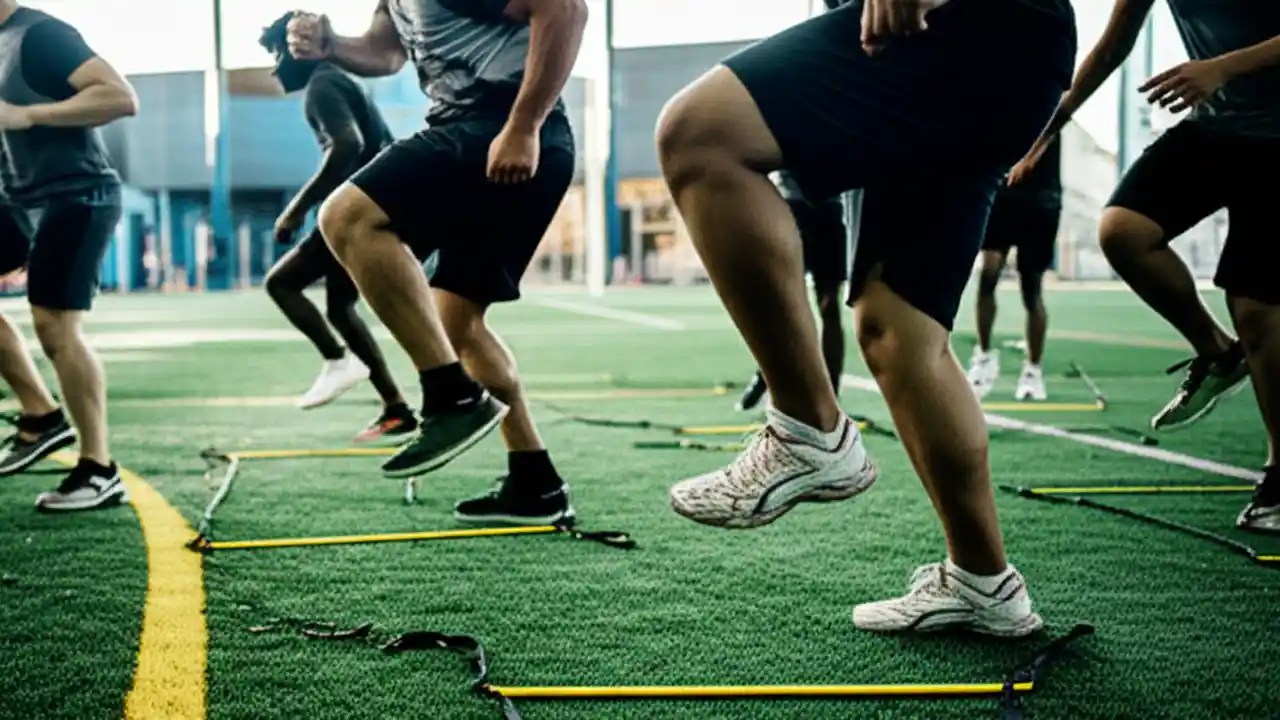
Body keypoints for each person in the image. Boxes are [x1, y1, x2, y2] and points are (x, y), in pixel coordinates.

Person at [656, 0, 1075, 636]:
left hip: (963, 25)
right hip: (1007, 58)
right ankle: (985, 584)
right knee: (899, 336)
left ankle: (807, 432)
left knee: (698, 134)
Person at [285, 0, 586, 526]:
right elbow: (383, 53)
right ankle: (535, 482)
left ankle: (451, 398)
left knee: (348, 217)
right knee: (456, 326)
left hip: (494, 128)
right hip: (488, 136)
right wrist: (330, 45)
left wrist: (524, 125)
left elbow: (564, 10)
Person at [1011, 0, 1278, 533]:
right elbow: (1112, 46)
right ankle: (1217, 353)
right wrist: (1049, 129)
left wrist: (1221, 67)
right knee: (1124, 231)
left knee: (1256, 308)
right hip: (1214, 128)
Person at [0, 1, 138, 512]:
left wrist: (29, 115)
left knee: (55, 326)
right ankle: (39, 414)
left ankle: (99, 470)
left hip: (77, 194)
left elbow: (120, 97)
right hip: (18, 199)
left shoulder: (41, 35)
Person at [258, 12, 417, 444]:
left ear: (300, 50)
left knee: (282, 283)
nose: (274, 66)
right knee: (339, 306)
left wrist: (295, 210)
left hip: (362, 210)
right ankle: (396, 407)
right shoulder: (337, 81)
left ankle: (337, 360)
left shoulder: (323, 85)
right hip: (381, 205)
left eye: (277, 52)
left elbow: (349, 145)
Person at [736, 171, 848, 412]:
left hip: (828, 207)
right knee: (782, 303)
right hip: (790, 206)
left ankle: (832, 396)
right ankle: (767, 376)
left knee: (829, 305)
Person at [967, 136, 1063, 401]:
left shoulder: (1055, 100)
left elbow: (1060, 117)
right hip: (1001, 191)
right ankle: (984, 356)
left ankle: (1033, 370)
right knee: (988, 274)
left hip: (1041, 197)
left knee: (1031, 290)